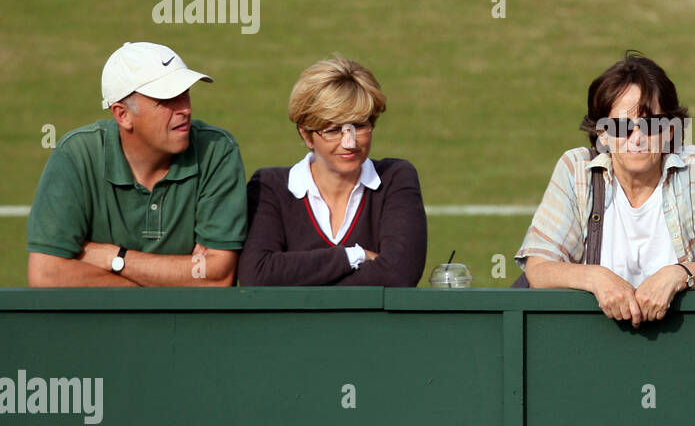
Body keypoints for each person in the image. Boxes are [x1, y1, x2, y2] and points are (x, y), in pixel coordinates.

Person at [516, 52, 695, 326]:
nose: (637, 139)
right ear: (602, 134)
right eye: (621, 127)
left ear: (670, 130)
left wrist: (679, 274)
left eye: (650, 124)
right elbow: (539, 269)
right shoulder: (577, 169)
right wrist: (597, 278)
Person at [27, 41, 246, 286]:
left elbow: (217, 276)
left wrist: (115, 258)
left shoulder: (217, 151)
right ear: (123, 115)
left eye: (185, 93)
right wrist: (163, 286)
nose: (185, 108)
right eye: (167, 99)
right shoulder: (75, 155)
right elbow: (46, 274)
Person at [238, 57, 426, 286]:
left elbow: (399, 274)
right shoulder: (270, 186)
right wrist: (354, 256)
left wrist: (300, 280)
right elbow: (256, 275)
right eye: (333, 130)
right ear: (306, 135)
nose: (349, 142)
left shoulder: (396, 177)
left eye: (359, 126)